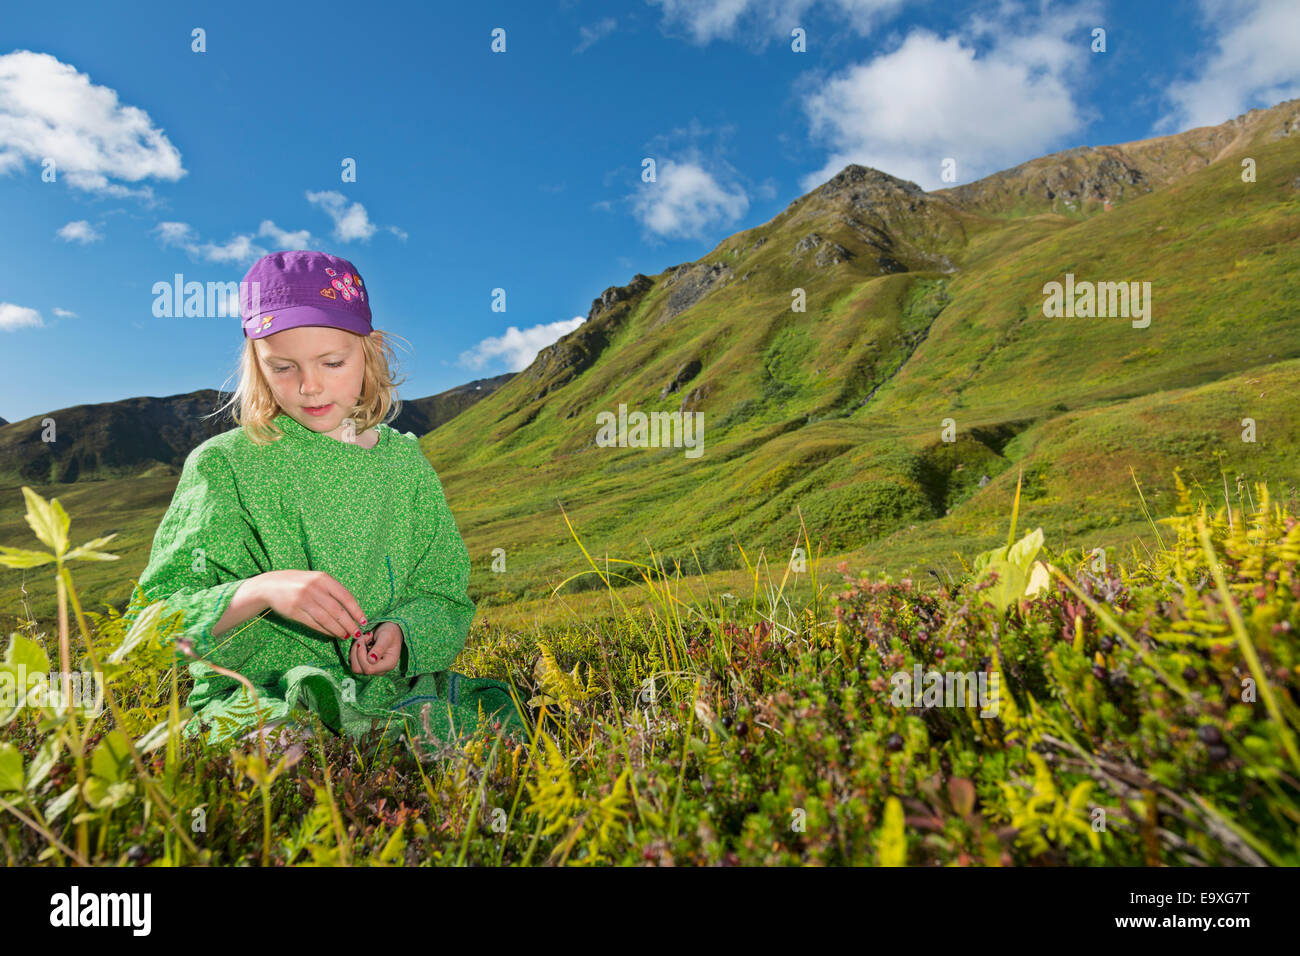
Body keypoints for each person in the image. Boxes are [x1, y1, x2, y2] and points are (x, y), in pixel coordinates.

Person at [126, 250, 528, 754]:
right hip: (262, 695)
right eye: (283, 366)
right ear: (256, 361)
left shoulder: (404, 464)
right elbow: (156, 626)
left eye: (332, 363)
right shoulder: (224, 464)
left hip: (393, 692)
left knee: (478, 748)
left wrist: (402, 632)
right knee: (284, 756)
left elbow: (441, 589)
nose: (309, 385)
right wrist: (260, 591)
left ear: (370, 352)